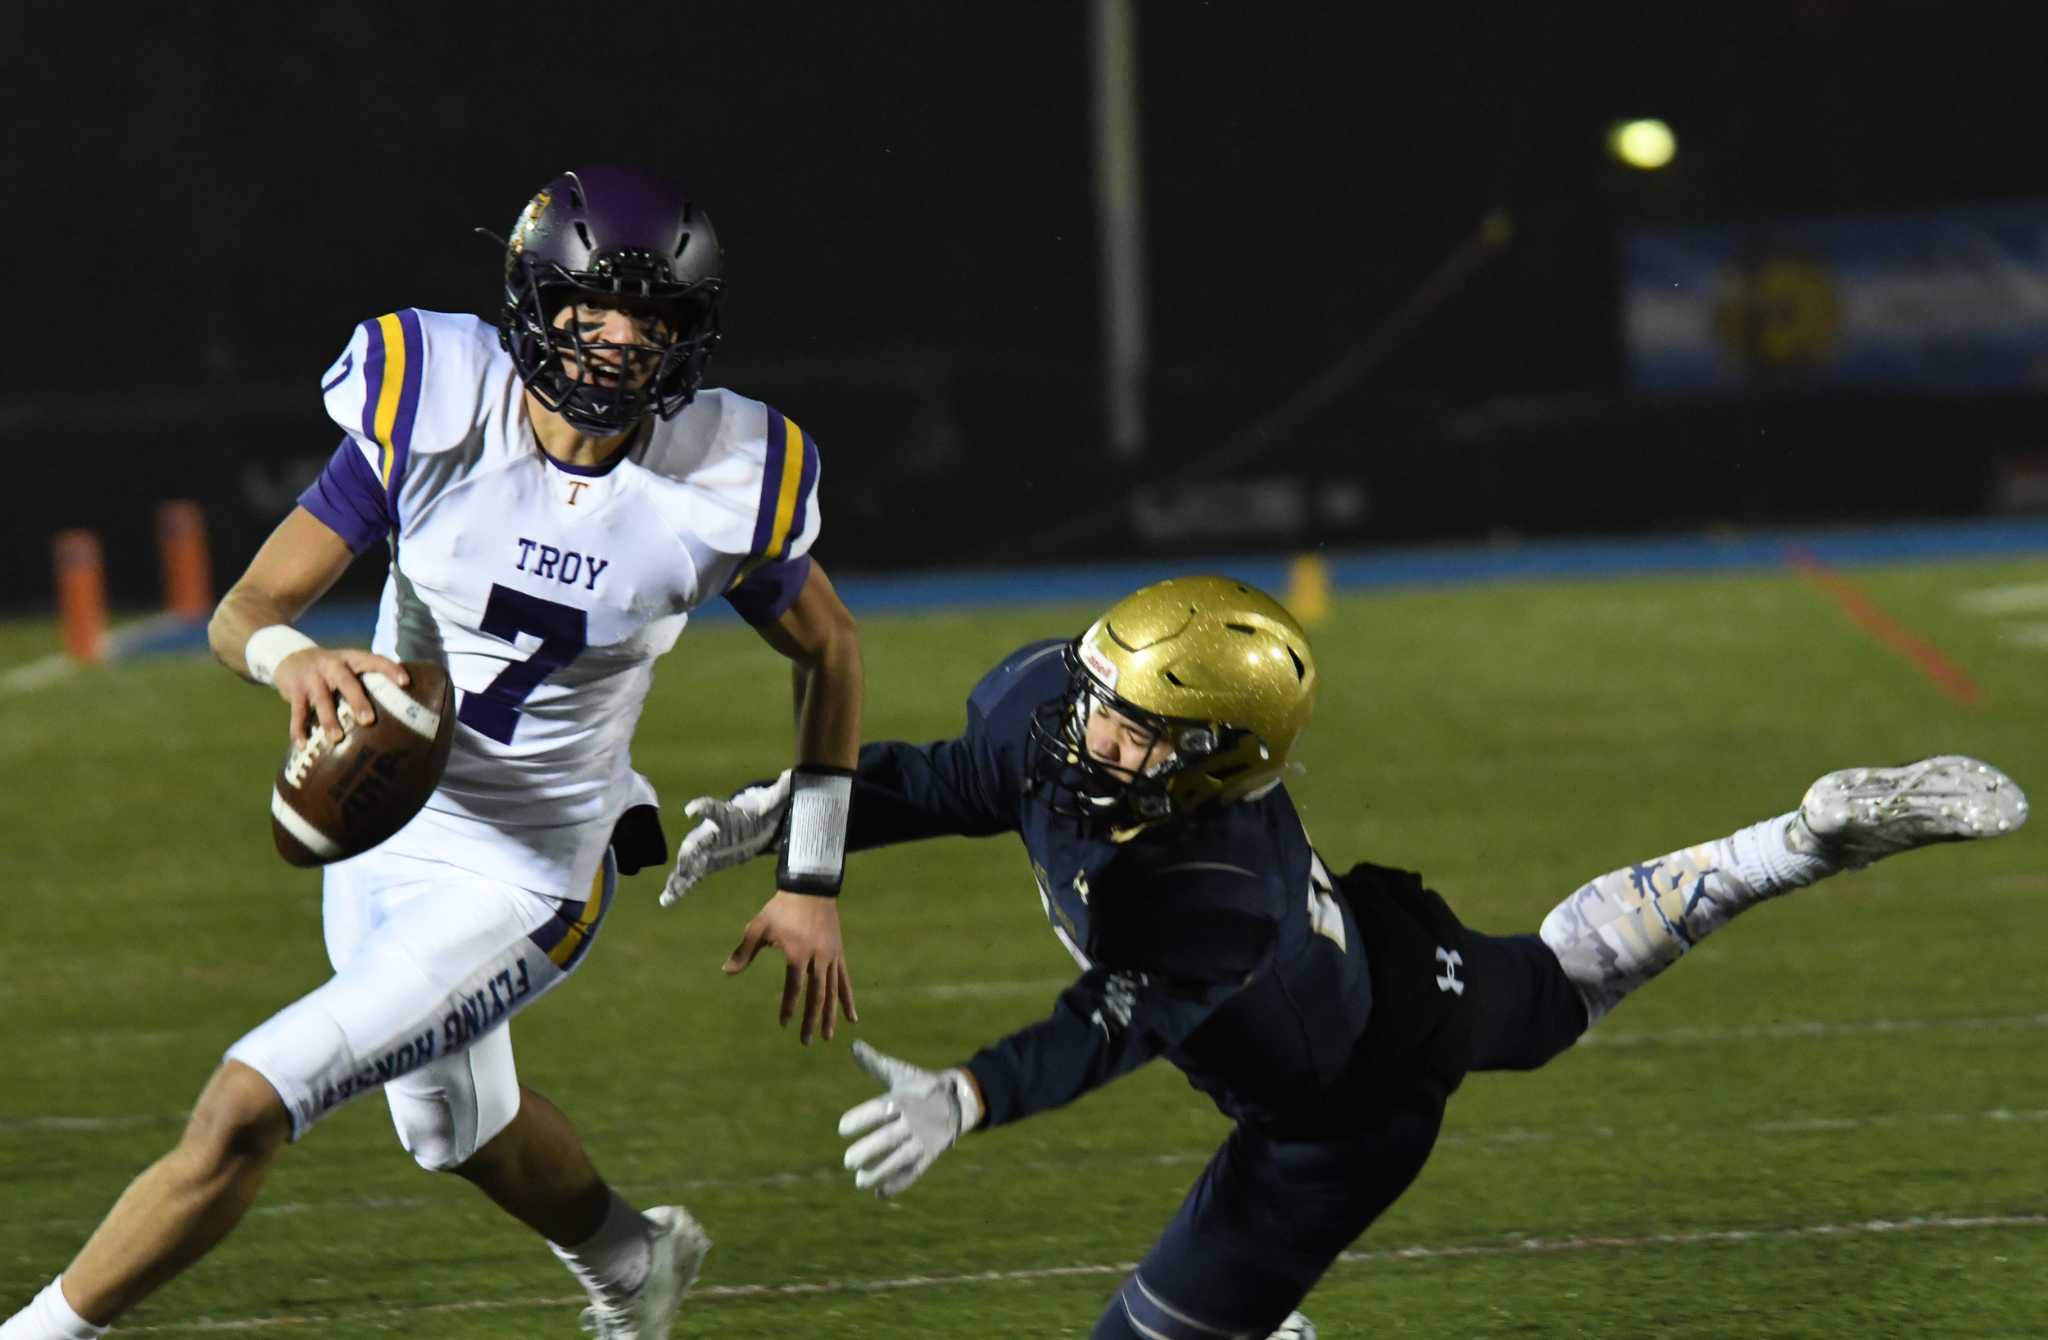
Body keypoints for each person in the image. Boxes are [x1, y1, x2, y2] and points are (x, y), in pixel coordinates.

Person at [663, 573, 2029, 1340]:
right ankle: (1807, 838)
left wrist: (965, 1095)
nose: (1095, 740)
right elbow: (951, 775)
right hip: (1385, 948)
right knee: (1554, 991)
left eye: (1141, 732)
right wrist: (792, 819)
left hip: (1333, 1114)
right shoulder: (1062, 720)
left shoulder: (1209, 886)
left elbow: (1113, 1021)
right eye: (1098, 702)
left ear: (1219, 765)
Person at [1, 166, 865, 1340]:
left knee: (246, 1106)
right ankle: (636, 1257)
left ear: (686, 336)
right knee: (451, 1128)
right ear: (533, 305)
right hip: (387, 812)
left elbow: (831, 650)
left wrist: (812, 877)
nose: (619, 343)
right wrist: (293, 659)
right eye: (593, 309)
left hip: (528, 872)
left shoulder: (723, 480)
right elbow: (243, 606)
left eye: (652, 318)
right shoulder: (435, 401)